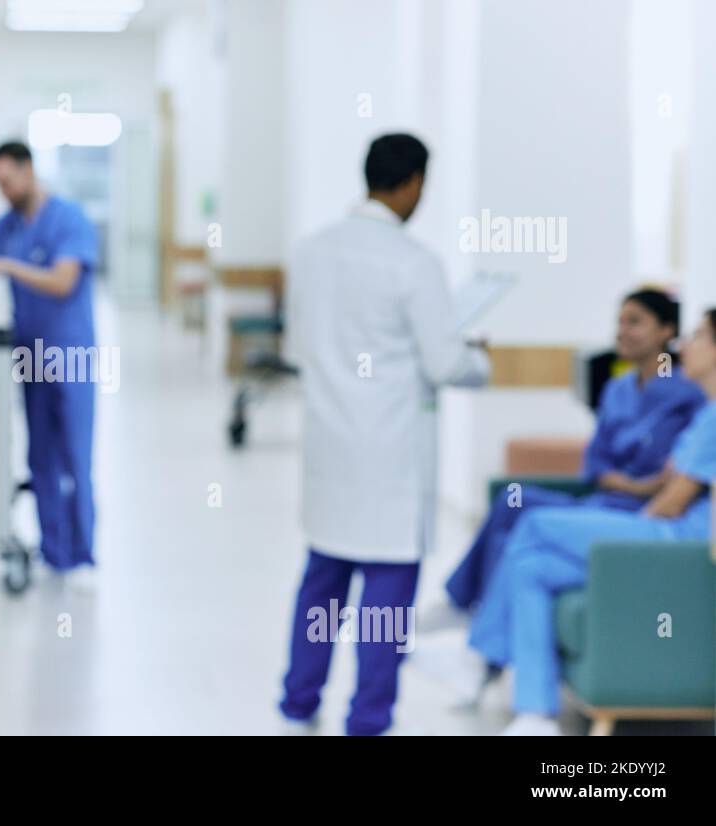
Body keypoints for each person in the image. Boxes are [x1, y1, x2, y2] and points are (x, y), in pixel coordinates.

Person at [279, 133, 491, 736]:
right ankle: (368, 719)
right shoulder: (413, 262)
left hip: (330, 446)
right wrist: (477, 358)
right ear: (414, 184)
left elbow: (299, 346)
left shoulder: (311, 251)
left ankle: (298, 702)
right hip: (392, 453)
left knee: (322, 581)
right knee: (386, 594)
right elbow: (445, 363)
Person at [457, 308, 716, 736]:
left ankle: (478, 659)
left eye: (700, 336)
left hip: (674, 540)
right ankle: (536, 714)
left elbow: (671, 503)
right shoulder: (703, 413)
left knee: (535, 524)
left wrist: (629, 536)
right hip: (659, 527)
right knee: (530, 568)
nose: (686, 346)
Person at [440, 289, 705, 613]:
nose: (621, 331)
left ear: (666, 331)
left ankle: (476, 613)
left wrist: (637, 486)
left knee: (530, 530)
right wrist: (631, 484)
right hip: (601, 500)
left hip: (636, 514)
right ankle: (465, 606)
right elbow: (595, 460)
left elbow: (679, 474)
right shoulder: (617, 388)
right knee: (513, 498)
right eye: (619, 321)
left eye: (634, 322)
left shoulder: (690, 393)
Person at [0, 141, 100, 577]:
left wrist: (5, 267)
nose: (3, 190)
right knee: (40, 457)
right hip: (30, 356)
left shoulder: (69, 219)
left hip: (70, 357)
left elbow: (62, 282)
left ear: (28, 171)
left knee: (75, 455)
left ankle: (82, 555)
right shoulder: (6, 227)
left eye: (7, 180)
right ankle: (54, 552)